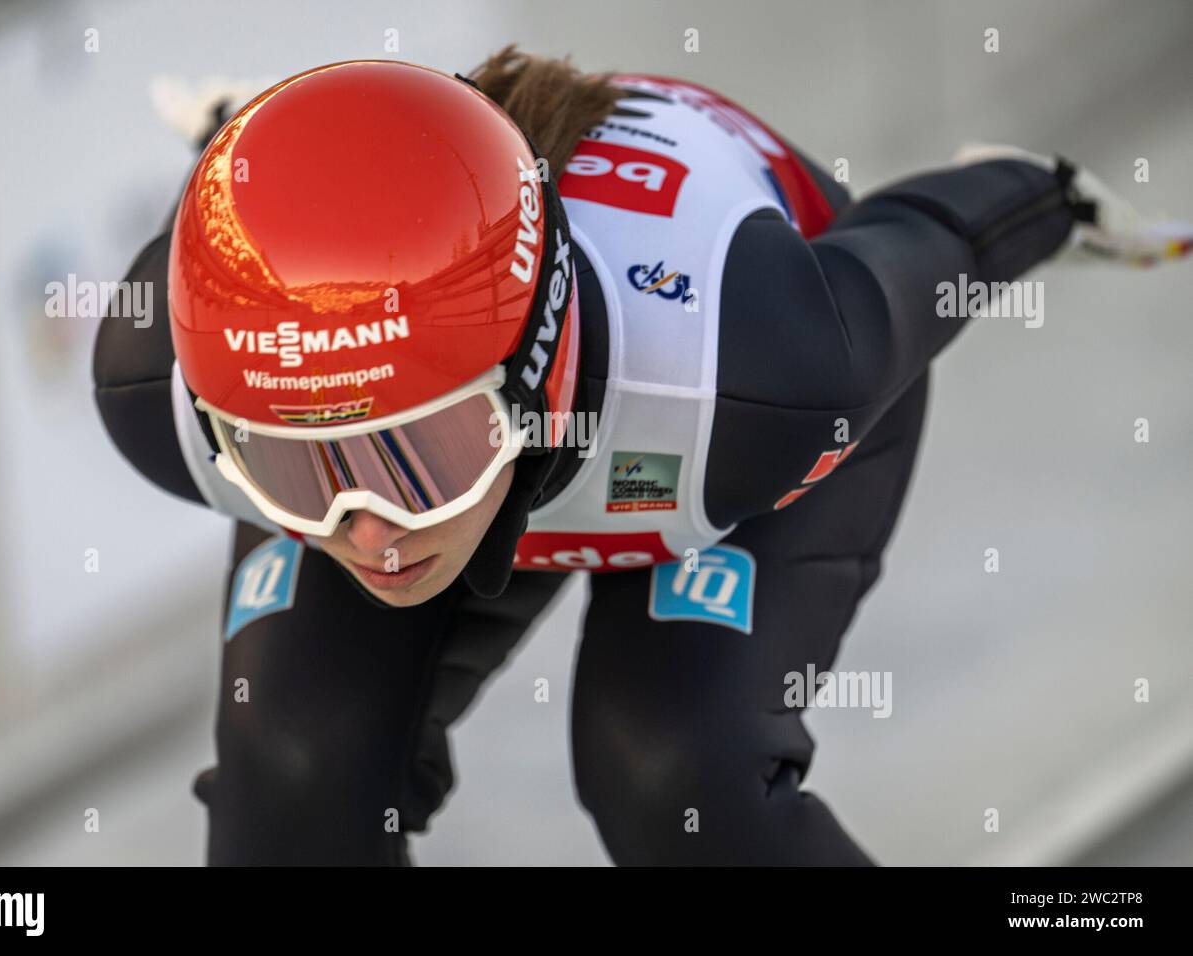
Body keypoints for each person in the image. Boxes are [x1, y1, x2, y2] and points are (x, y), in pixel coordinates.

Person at [93, 46, 1191, 865]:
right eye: (297, 469)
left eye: (417, 457)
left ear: (535, 378)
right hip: (569, 407)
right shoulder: (163, 381)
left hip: (715, 418)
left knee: (674, 770)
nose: (368, 533)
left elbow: (931, 241)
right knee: (291, 767)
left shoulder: (760, 364)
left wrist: (1040, 191)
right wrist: (246, 131)